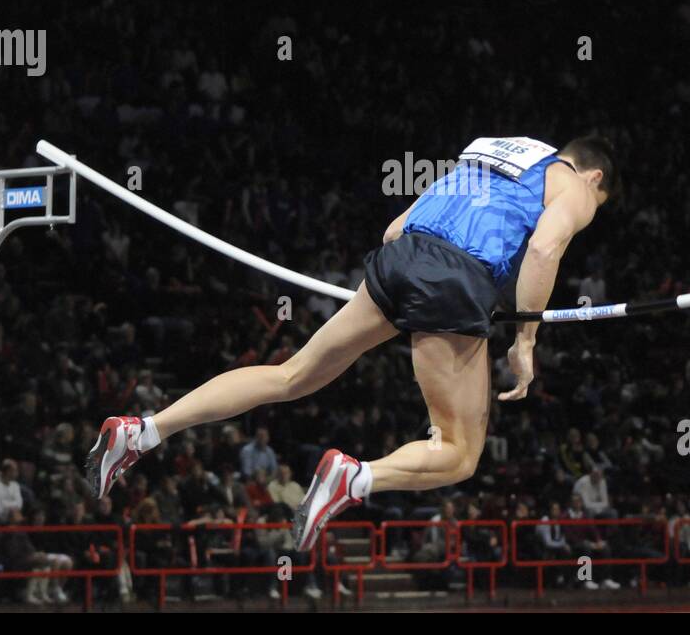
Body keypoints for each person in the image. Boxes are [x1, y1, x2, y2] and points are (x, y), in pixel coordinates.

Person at [87, 135, 618, 550]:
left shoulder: (492, 150)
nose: (590, 208)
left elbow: (394, 229)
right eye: (599, 197)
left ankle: (143, 431)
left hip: (402, 257)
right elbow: (546, 250)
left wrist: (417, 290)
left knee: (291, 375)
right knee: (458, 454)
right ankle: (355, 477)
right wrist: (526, 340)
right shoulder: (573, 183)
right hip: (454, 279)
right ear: (594, 175)